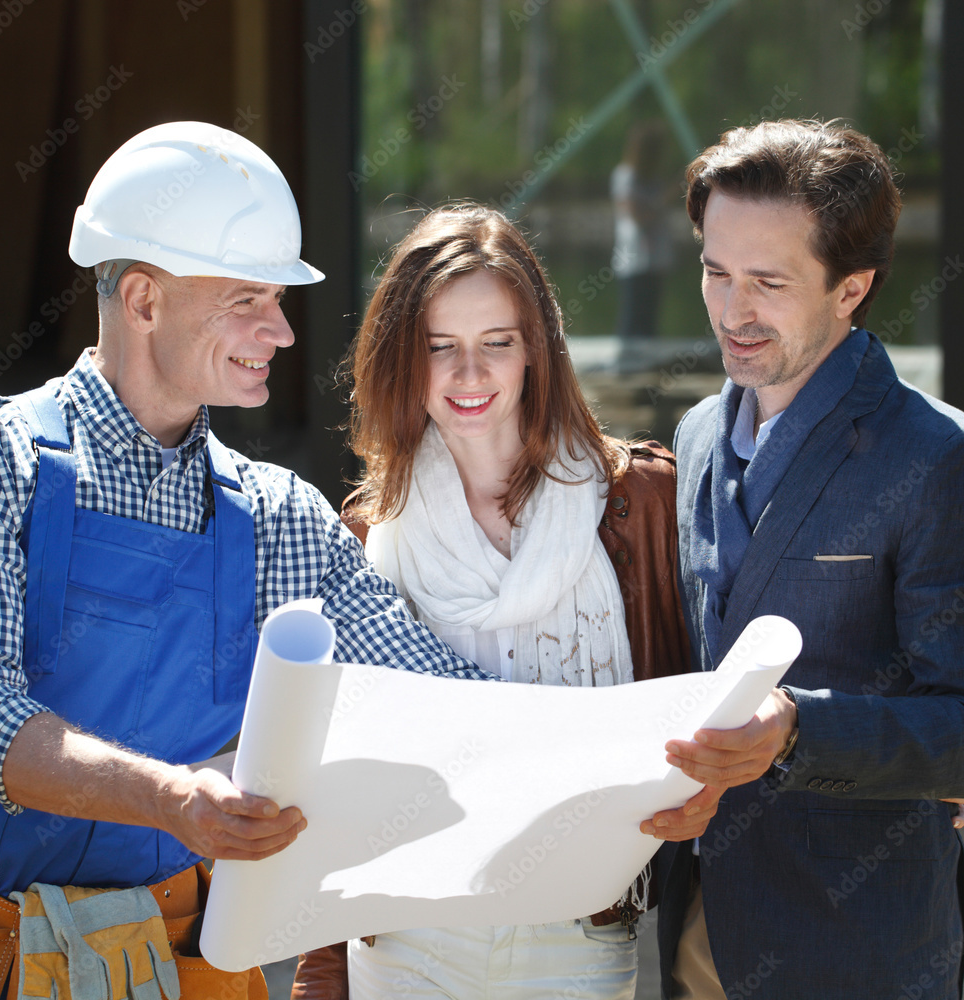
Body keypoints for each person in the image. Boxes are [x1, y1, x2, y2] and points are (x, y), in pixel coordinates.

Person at [0, 122, 493, 1000]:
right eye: (249, 298)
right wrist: (171, 799)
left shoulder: (280, 518)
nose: (280, 332)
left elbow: (433, 698)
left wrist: (648, 756)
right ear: (142, 299)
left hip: (187, 964)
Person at [293, 203, 719, 1000]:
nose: (470, 375)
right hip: (406, 933)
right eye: (439, 348)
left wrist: (703, 789)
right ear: (401, 361)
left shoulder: (639, 503)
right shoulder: (363, 536)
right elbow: (331, 782)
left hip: (580, 936)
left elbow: (709, 704)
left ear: (536, 353)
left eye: (497, 343)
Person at [655, 118, 964, 1000]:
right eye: (716, 272)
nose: (731, 310)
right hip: (697, 929)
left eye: (768, 282)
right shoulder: (698, 434)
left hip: (857, 948)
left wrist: (796, 731)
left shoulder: (936, 455)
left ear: (851, 288)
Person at [611, 120, 676, 372]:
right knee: (632, 317)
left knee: (649, 317)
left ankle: (648, 369)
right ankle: (626, 369)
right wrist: (665, 199)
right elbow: (637, 214)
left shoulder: (654, 179)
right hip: (633, 257)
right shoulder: (625, 176)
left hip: (656, 257)